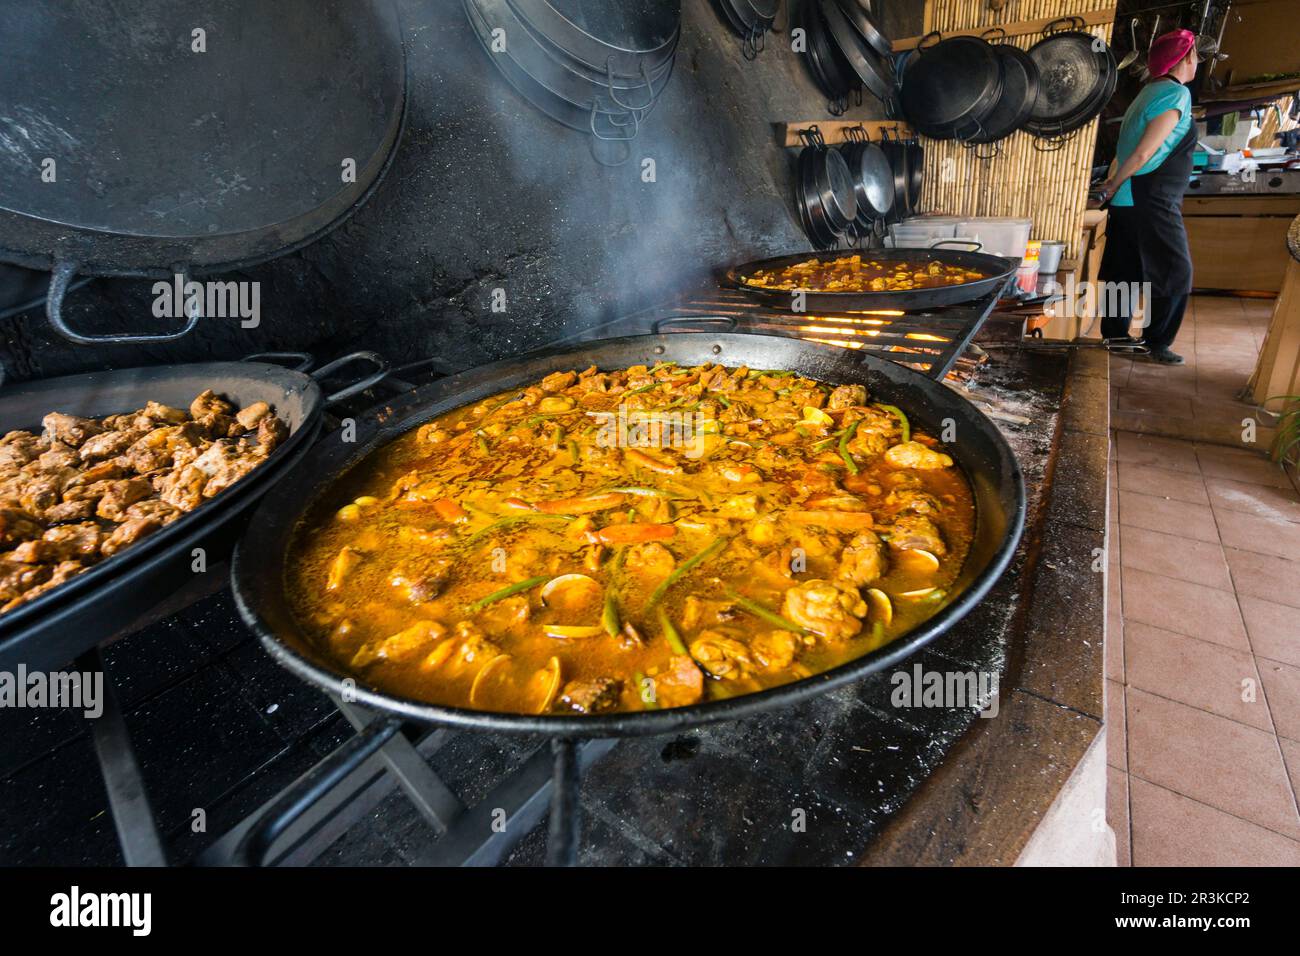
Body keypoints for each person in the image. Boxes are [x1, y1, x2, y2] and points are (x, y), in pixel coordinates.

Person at [1095, 29, 1201, 365]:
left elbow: (1123, 150)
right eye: (1195, 55)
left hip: (1129, 199)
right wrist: (1113, 184)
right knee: (1175, 270)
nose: (1196, 61)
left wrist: (1113, 184)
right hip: (1150, 197)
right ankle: (1157, 342)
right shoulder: (1174, 94)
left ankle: (1114, 336)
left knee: (1124, 270)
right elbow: (1142, 154)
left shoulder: (1146, 93)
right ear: (1186, 58)